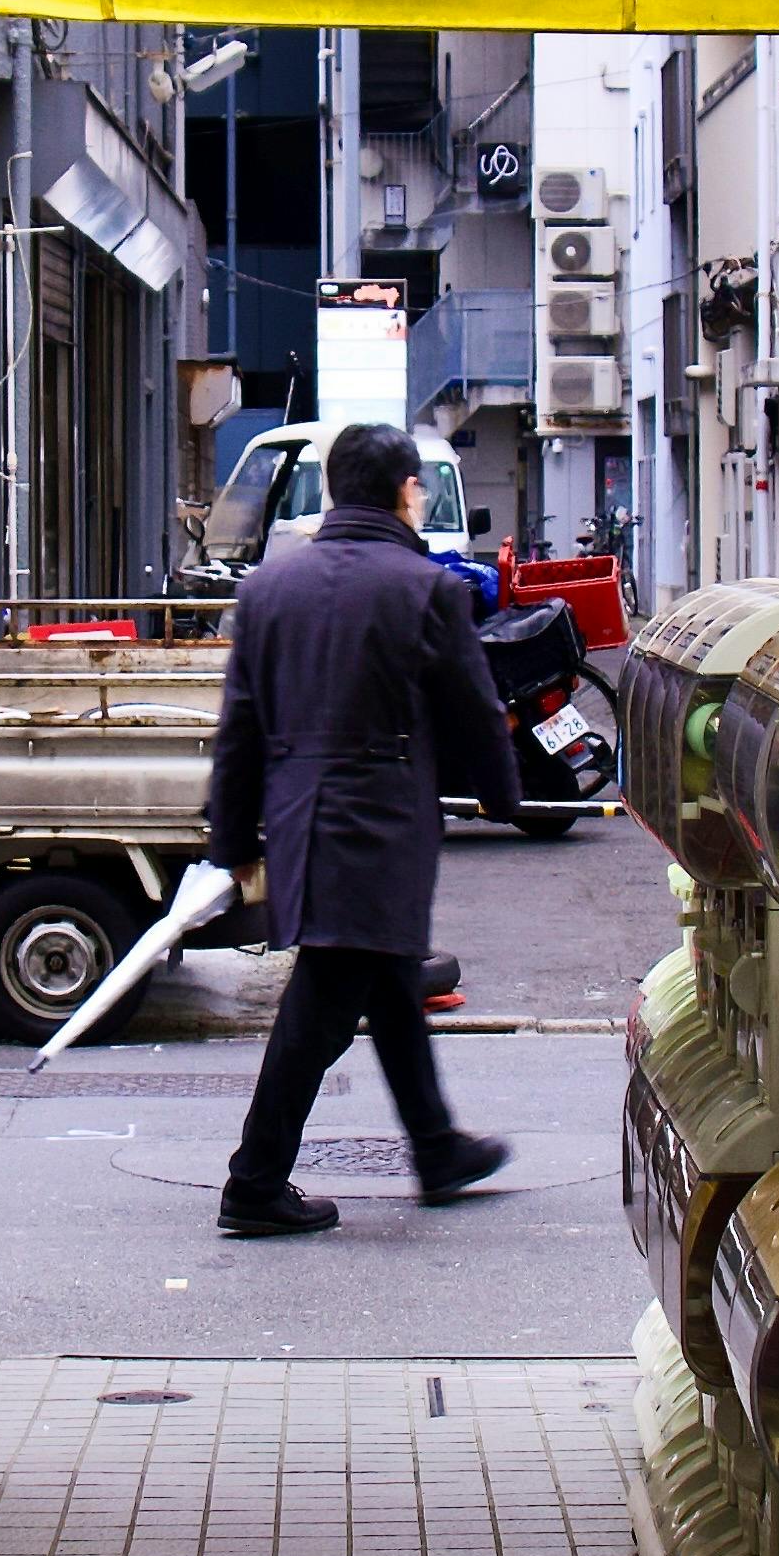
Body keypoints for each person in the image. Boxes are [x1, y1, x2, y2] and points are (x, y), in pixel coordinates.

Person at [200, 419, 517, 1241]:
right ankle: (254, 1181)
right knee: (328, 1004)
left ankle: (436, 1147)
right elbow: (476, 712)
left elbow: (239, 729)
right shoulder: (426, 589)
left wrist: (231, 841)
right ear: (407, 492)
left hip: (304, 822)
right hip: (382, 827)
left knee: (387, 985)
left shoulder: (269, 589)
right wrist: (505, 796)